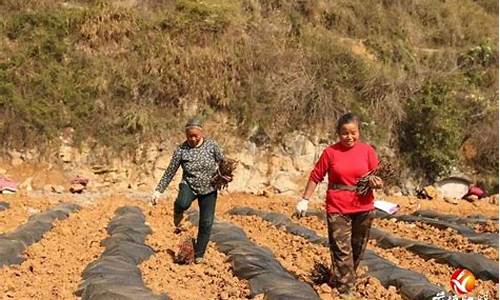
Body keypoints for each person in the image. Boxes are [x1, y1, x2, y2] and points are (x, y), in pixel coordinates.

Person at [295, 112, 383, 297]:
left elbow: (380, 177)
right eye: (345, 133)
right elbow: (315, 176)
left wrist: (378, 183)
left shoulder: (367, 151)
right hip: (338, 208)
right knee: (342, 250)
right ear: (338, 133)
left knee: (357, 248)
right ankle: (346, 290)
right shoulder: (330, 153)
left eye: (353, 133)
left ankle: (342, 278)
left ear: (359, 132)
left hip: (364, 207)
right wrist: (305, 199)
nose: (349, 137)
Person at [151, 116, 224, 264]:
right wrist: (158, 190)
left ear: (202, 134)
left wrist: (224, 177)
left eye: (195, 136)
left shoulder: (212, 146)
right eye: (189, 136)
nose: (192, 139)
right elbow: (170, 171)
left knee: (206, 222)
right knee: (182, 202)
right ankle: (178, 212)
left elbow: (223, 163)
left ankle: (199, 254)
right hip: (189, 184)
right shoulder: (181, 150)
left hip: (209, 188)